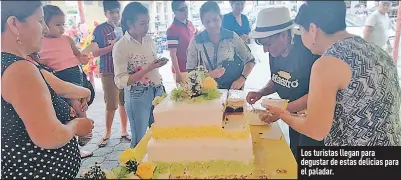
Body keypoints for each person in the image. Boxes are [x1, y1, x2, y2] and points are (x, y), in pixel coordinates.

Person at [266, 1, 401, 146]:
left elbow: (315, 130)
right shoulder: (378, 52)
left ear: (312, 29)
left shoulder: (327, 62)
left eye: (301, 31)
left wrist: (282, 114)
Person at [1, 1, 93, 179]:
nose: (44, 29)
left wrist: (84, 94)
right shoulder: (21, 70)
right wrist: (76, 126)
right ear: (14, 24)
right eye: (40, 21)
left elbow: (61, 89)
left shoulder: (13, 64)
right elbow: (49, 136)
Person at [246, 7, 323, 159]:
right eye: (262, 44)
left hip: (315, 119)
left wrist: (281, 112)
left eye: (268, 44)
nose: (265, 50)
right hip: (293, 116)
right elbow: (278, 78)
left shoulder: (309, 50)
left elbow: (316, 95)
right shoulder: (275, 51)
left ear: (284, 35)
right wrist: (262, 92)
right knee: (294, 154)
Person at [113, 2, 167, 148]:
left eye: (148, 22)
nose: (146, 27)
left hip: (158, 89)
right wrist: (148, 68)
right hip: (138, 95)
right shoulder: (121, 46)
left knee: (161, 133)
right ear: (130, 23)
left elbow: (151, 65)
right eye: (143, 23)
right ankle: (136, 169)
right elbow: (120, 80)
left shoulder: (149, 40)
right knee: (140, 141)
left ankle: (155, 166)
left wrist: (156, 65)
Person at [27, 53, 94, 159]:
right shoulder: (24, 64)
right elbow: (62, 88)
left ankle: (82, 137)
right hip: (46, 156)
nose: (41, 36)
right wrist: (86, 92)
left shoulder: (32, 59)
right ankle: (83, 133)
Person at [186, 1, 255, 90]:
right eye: (207, 22)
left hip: (232, 90)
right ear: (202, 22)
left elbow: (250, 60)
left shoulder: (232, 36)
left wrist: (242, 78)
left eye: (215, 19)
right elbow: (190, 72)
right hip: (208, 91)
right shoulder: (196, 41)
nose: (212, 25)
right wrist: (209, 75)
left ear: (221, 18)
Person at [39, 5, 90, 118]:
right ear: (44, 24)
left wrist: (83, 59)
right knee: (62, 100)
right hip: (55, 75)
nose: (62, 28)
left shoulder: (67, 39)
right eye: (58, 25)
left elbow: (78, 54)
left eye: (63, 24)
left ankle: (84, 123)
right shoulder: (39, 41)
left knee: (74, 98)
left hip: (72, 72)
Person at [92, 0, 130, 147]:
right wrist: (112, 46)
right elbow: (95, 52)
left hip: (125, 70)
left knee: (124, 102)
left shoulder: (125, 27)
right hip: (108, 71)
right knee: (111, 104)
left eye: (117, 12)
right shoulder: (100, 30)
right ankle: (107, 132)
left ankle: (124, 131)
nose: (115, 15)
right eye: (111, 12)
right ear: (105, 13)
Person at [167, 0, 197, 84]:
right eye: (182, 9)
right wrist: (178, 73)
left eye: (186, 7)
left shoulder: (190, 24)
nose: (186, 11)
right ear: (175, 12)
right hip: (182, 70)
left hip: (193, 67)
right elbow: (173, 54)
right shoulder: (172, 30)